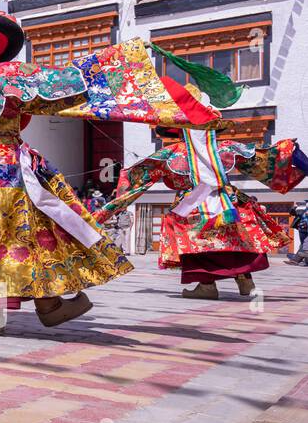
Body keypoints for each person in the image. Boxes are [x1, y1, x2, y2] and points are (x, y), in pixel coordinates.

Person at [0, 0, 223, 334]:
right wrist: (125, 60)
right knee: (24, 236)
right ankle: (48, 302)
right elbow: (69, 84)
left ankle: (2, 312)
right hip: (6, 171)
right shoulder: (5, 77)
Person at [98, 115, 308, 296]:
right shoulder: (224, 147)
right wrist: (287, 150)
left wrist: (116, 199)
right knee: (235, 239)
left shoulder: (171, 153)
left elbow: (139, 174)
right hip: (227, 201)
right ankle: (245, 280)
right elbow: (261, 157)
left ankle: (207, 285)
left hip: (192, 206)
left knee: (199, 243)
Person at [288, 200, 308, 266]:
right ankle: (301, 261)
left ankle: (295, 260)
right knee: (303, 244)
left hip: (304, 228)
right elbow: (292, 213)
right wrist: (294, 207)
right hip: (302, 229)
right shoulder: (301, 210)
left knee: (305, 244)